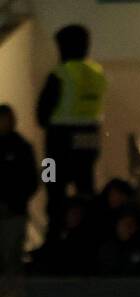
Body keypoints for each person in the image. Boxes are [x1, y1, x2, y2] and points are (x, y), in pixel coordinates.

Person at [36, 25, 106, 232]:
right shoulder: (96, 72)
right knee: (86, 187)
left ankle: (55, 232)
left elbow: (41, 114)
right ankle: (88, 230)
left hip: (58, 140)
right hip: (90, 138)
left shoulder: (60, 73)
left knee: (52, 184)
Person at [0, 104, 38, 274]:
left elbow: (31, 180)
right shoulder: (22, 147)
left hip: (14, 211)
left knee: (12, 258)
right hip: (15, 210)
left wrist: (15, 201)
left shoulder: (21, 147)